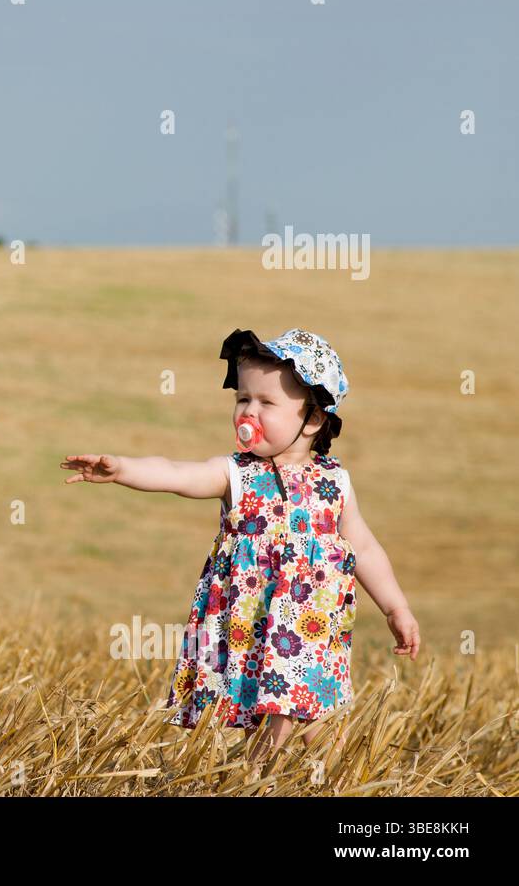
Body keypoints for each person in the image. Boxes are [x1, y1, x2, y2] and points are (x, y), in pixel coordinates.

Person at [61, 327, 420, 773]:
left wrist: (395, 607)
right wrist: (123, 469)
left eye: (266, 403)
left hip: (311, 626)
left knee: (318, 726)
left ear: (313, 420)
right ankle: (257, 780)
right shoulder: (236, 474)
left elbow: (363, 547)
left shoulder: (335, 483)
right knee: (272, 720)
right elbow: (176, 473)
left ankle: (320, 779)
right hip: (253, 625)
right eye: (242, 399)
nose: (248, 411)